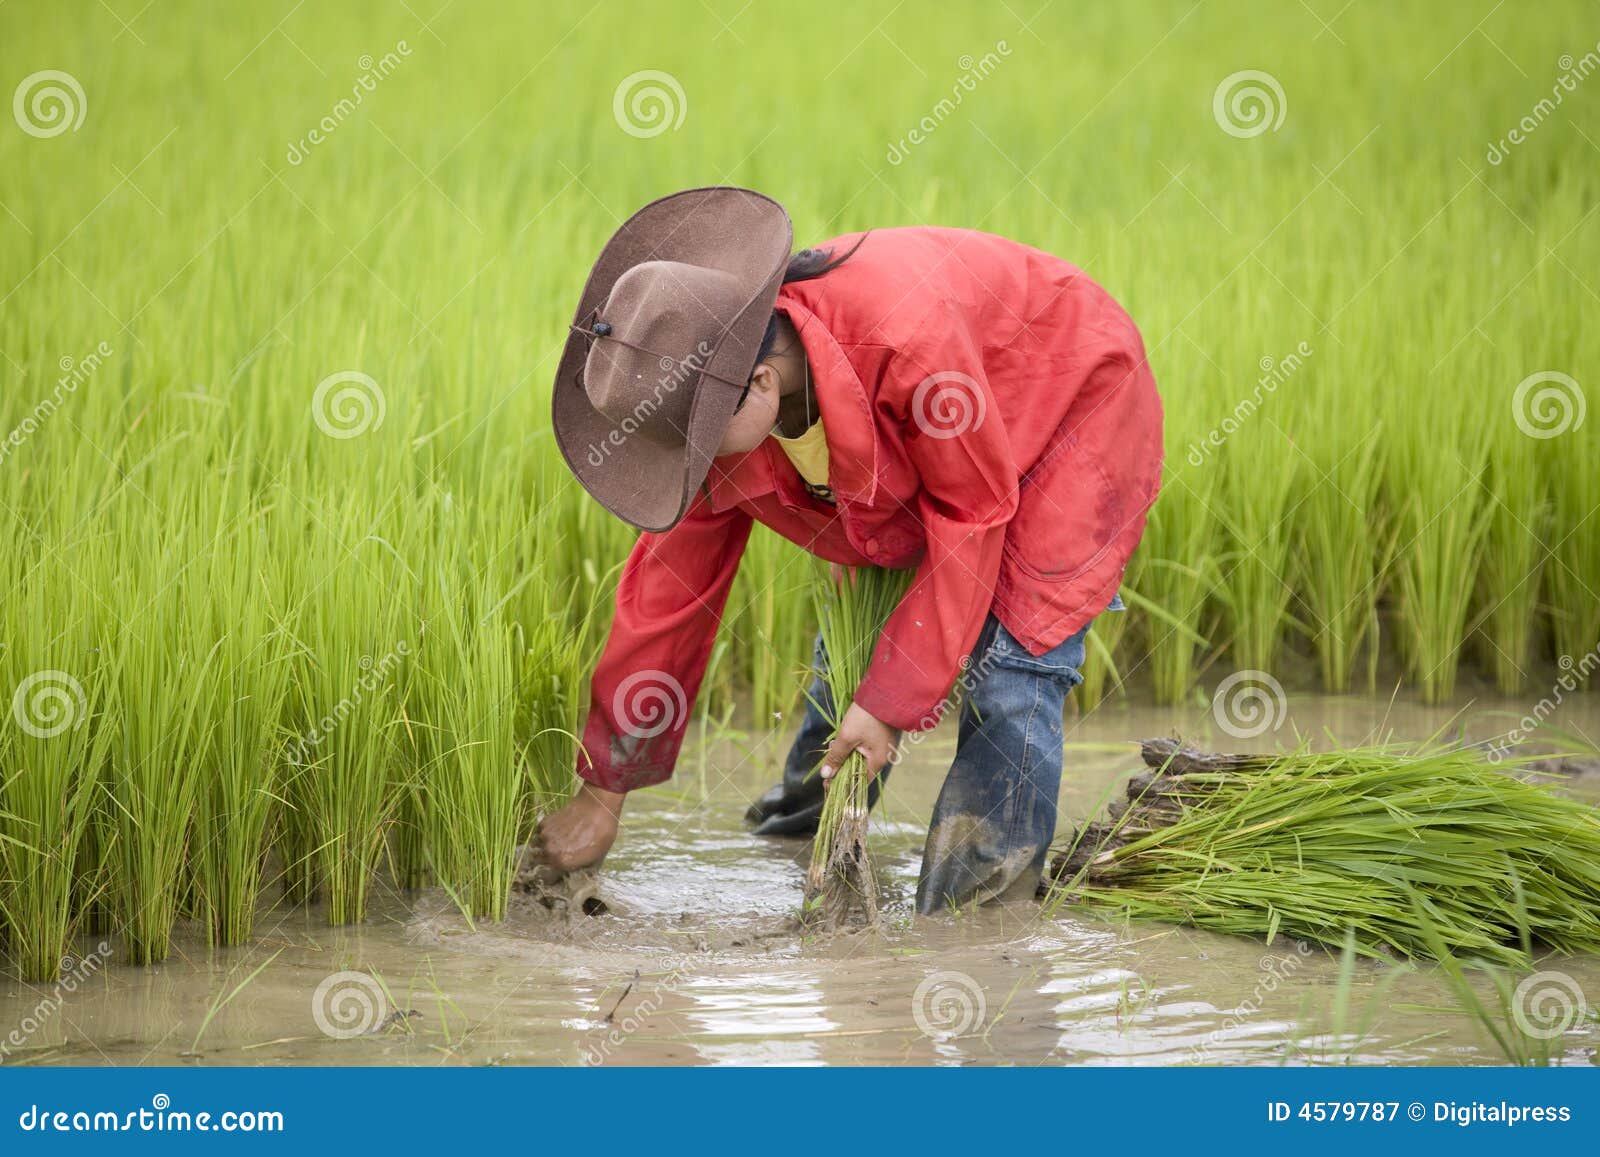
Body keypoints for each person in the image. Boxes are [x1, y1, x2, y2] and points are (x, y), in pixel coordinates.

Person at [534, 186, 1162, 912]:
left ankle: (981, 917)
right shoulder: (719, 396)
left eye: (699, 443)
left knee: (1012, 670)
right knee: (855, 654)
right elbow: (670, 589)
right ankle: (802, 841)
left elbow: (971, 510)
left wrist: (892, 706)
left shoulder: (905, 339)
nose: (693, 464)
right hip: (934, 463)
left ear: (760, 384)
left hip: (1063, 403)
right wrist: (602, 791)